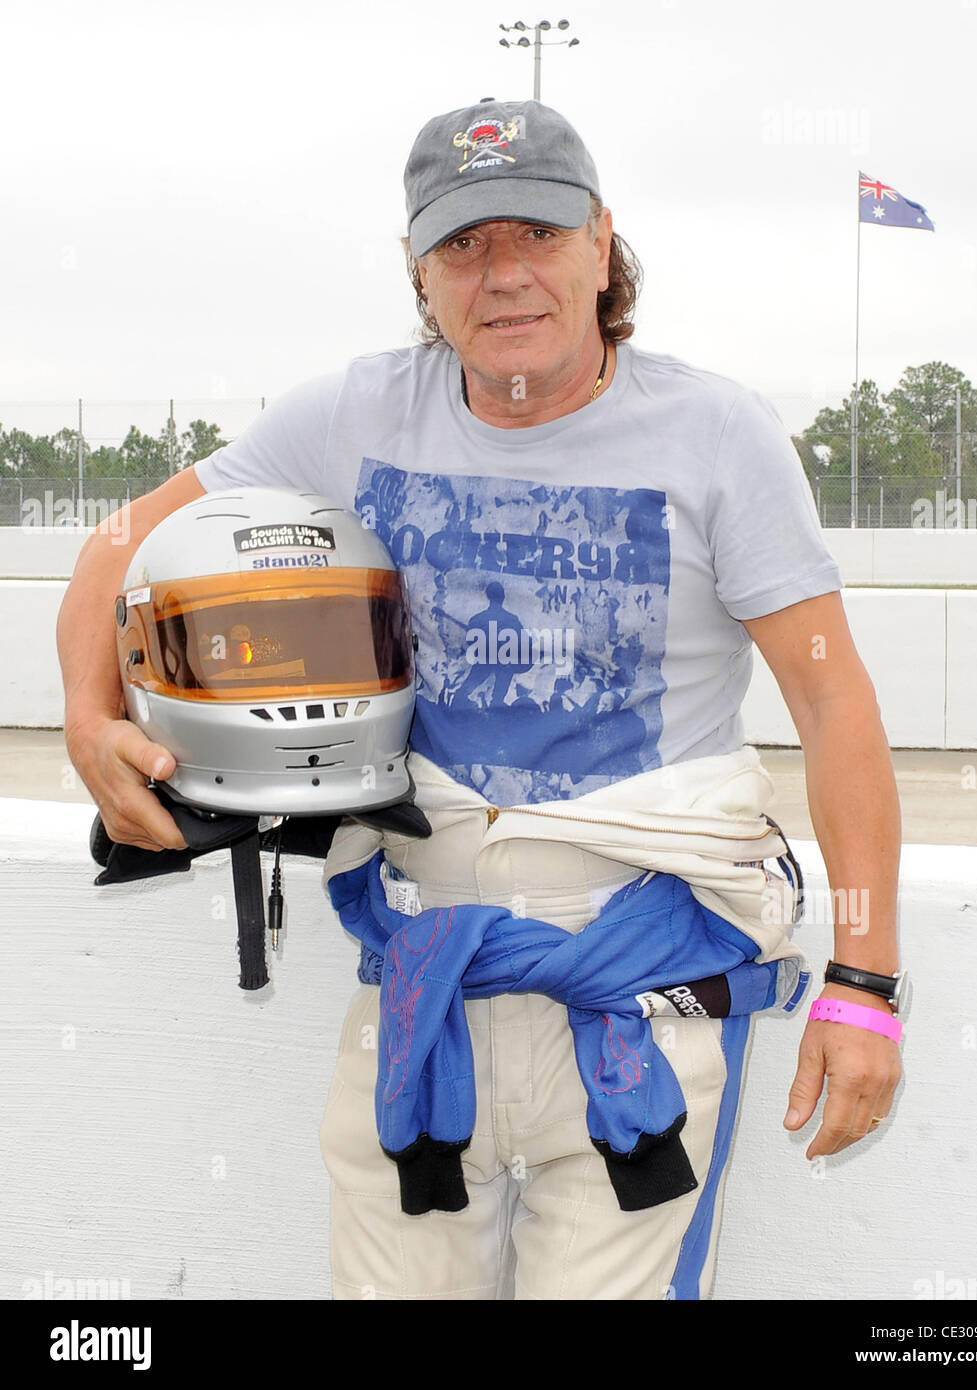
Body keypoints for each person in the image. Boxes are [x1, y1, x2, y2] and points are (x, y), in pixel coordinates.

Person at [57, 97, 904, 1300]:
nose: (502, 275)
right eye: (463, 244)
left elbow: (836, 708)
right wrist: (92, 723)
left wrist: (864, 986)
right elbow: (113, 540)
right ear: (416, 270)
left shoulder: (716, 434)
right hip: (421, 980)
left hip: (636, 992)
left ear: (601, 244)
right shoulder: (356, 411)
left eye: (537, 235)